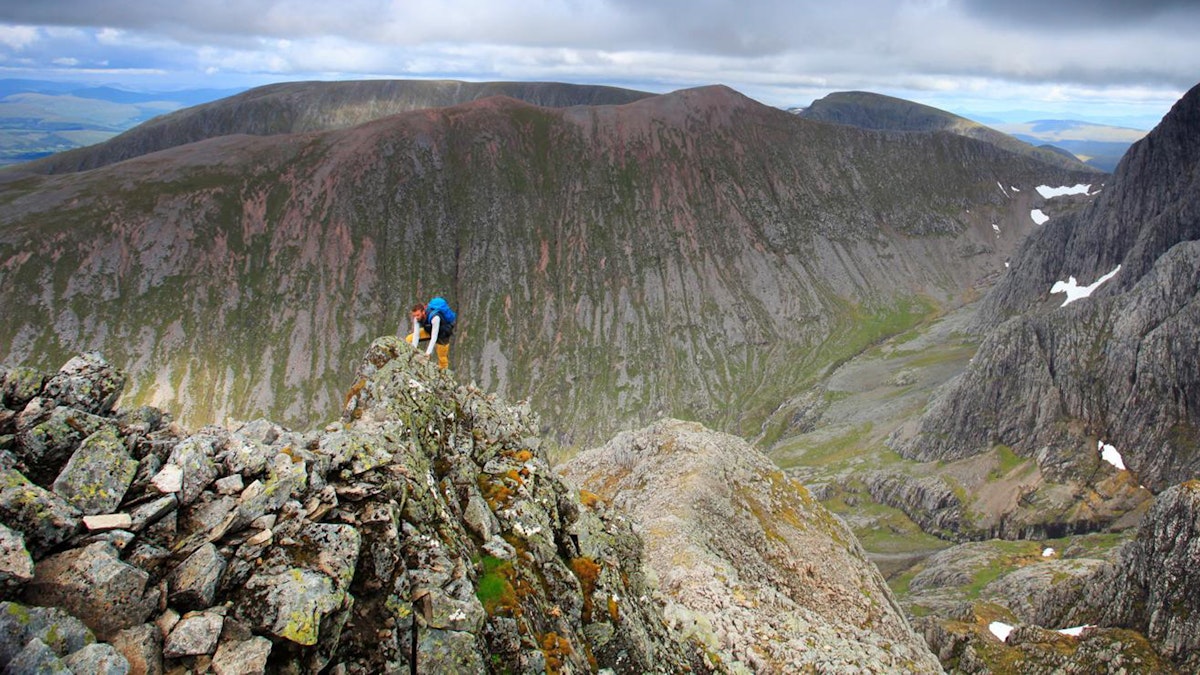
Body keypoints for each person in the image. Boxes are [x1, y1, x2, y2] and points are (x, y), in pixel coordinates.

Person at [405, 297, 456, 369]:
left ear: (423, 312)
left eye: (418, 315)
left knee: (442, 358)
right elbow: (416, 335)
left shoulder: (435, 318)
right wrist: (414, 349)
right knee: (409, 339)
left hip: (442, 335)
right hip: (429, 330)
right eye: (414, 315)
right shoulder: (417, 319)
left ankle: (444, 375)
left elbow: (434, 337)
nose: (416, 317)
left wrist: (428, 353)